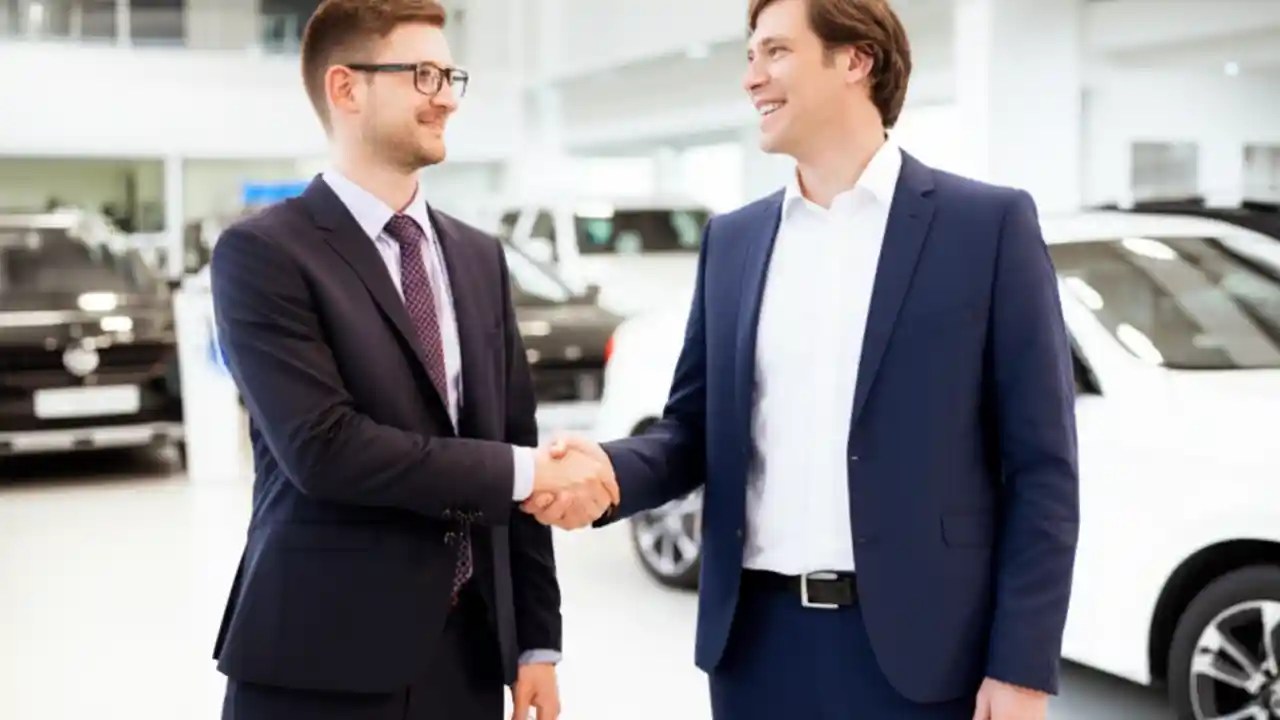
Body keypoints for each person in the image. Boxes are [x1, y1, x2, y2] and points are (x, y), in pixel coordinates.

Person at [525, 0, 1080, 718]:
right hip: (756, 649)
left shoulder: (985, 227)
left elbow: (1043, 469)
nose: (752, 79)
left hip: (926, 653)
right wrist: (606, 471)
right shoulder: (735, 241)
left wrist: (1021, 666)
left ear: (857, 60)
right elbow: (690, 431)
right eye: (750, 56)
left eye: (775, 53)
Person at [209, 1, 616, 718]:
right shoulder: (265, 254)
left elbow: (510, 434)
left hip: (464, 656)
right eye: (423, 74)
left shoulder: (477, 256)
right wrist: (529, 472)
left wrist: (534, 644)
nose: (448, 97)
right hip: (317, 658)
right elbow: (324, 449)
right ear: (346, 88)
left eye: (451, 74)